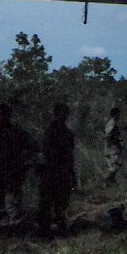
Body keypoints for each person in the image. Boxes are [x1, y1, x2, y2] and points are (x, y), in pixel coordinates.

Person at [37, 102, 76, 238]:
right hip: (50, 171)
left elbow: (70, 156)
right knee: (47, 203)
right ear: (56, 113)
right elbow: (45, 153)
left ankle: (59, 228)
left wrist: (72, 173)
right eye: (60, 112)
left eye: (65, 113)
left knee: (61, 203)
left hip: (61, 171)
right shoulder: (49, 131)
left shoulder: (68, 133)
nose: (63, 116)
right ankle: (45, 230)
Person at [0, 102, 35, 227]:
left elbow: (33, 145)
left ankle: (16, 228)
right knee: (0, 202)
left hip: (14, 171)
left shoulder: (17, 131)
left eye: (4, 115)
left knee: (12, 201)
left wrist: (25, 162)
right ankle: (7, 228)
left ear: (9, 115)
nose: (1, 118)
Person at [103, 106, 125, 186]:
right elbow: (109, 135)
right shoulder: (112, 123)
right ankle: (108, 181)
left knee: (115, 164)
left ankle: (111, 181)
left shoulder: (113, 123)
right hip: (112, 148)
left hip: (112, 147)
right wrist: (118, 139)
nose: (119, 116)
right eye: (118, 114)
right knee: (114, 165)